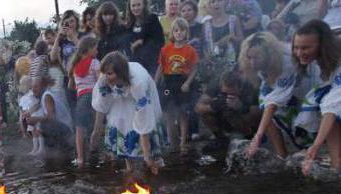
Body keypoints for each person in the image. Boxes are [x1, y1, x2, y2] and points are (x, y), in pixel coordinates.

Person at [242, 32, 315, 160]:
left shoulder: (286, 62)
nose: (252, 63)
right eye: (249, 58)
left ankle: (315, 152)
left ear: (268, 54)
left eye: (256, 58)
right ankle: (282, 156)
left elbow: (274, 103)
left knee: (306, 123)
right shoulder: (260, 66)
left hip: (307, 88)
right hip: (286, 91)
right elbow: (268, 101)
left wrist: (257, 137)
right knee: (267, 112)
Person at [91, 52, 166, 174]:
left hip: (139, 100)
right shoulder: (104, 79)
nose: (106, 77)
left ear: (120, 72)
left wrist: (146, 155)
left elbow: (144, 119)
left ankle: (154, 163)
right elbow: (102, 105)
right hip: (120, 101)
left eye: (109, 74)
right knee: (121, 122)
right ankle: (130, 167)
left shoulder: (138, 83)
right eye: (104, 73)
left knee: (145, 141)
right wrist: (96, 130)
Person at [292, 20, 341, 174]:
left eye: (305, 48)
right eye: (296, 47)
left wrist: (316, 146)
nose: (299, 53)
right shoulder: (322, 61)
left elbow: (332, 105)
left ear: (323, 45)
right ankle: (336, 165)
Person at [155, 18, 199, 153]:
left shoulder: (190, 50)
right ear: (172, 33)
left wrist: (188, 83)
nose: (179, 33)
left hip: (182, 82)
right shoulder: (165, 49)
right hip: (168, 81)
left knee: (182, 113)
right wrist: (155, 83)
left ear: (187, 32)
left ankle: (183, 142)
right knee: (168, 113)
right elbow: (161, 67)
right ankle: (172, 141)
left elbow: (195, 68)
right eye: (176, 30)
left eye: (182, 30)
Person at [195, 70, 261, 144]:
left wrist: (242, 107)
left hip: (241, 119)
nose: (228, 96)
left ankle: (248, 137)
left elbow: (258, 113)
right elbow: (198, 108)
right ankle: (220, 138)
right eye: (225, 93)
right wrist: (213, 106)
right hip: (223, 117)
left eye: (232, 94)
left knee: (250, 115)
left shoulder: (249, 87)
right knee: (206, 114)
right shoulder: (215, 85)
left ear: (240, 87)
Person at [69, 36, 101, 166]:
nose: (97, 51)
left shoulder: (74, 64)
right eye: (96, 48)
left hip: (81, 97)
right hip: (94, 96)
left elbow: (70, 86)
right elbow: (99, 81)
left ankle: (81, 158)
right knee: (96, 126)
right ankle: (96, 152)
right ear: (88, 49)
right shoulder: (95, 62)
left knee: (79, 128)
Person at [25, 76, 74, 152]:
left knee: (43, 124)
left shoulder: (47, 96)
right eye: (32, 87)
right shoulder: (44, 95)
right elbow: (37, 106)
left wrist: (36, 119)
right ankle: (50, 147)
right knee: (34, 123)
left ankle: (61, 145)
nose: (33, 90)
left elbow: (52, 117)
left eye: (36, 87)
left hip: (66, 130)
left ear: (43, 87)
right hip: (62, 127)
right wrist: (28, 113)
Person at [201, 0, 243, 84]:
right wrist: (206, 55)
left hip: (232, 62)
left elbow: (241, 39)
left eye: (219, 1)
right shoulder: (206, 23)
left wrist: (231, 37)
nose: (216, 4)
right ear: (209, 6)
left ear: (225, 2)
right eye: (213, 2)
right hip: (213, 63)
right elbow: (204, 44)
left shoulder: (233, 19)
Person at [125, 0, 165, 76]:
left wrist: (139, 42)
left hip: (152, 64)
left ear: (144, 5)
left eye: (138, 5)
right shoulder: (129, 25)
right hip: (135, 65)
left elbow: (159, 41)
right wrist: (137, 43)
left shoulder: (152, 19)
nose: (136, 8)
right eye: (133, 6)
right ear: (129, 7)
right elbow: (128, 45)